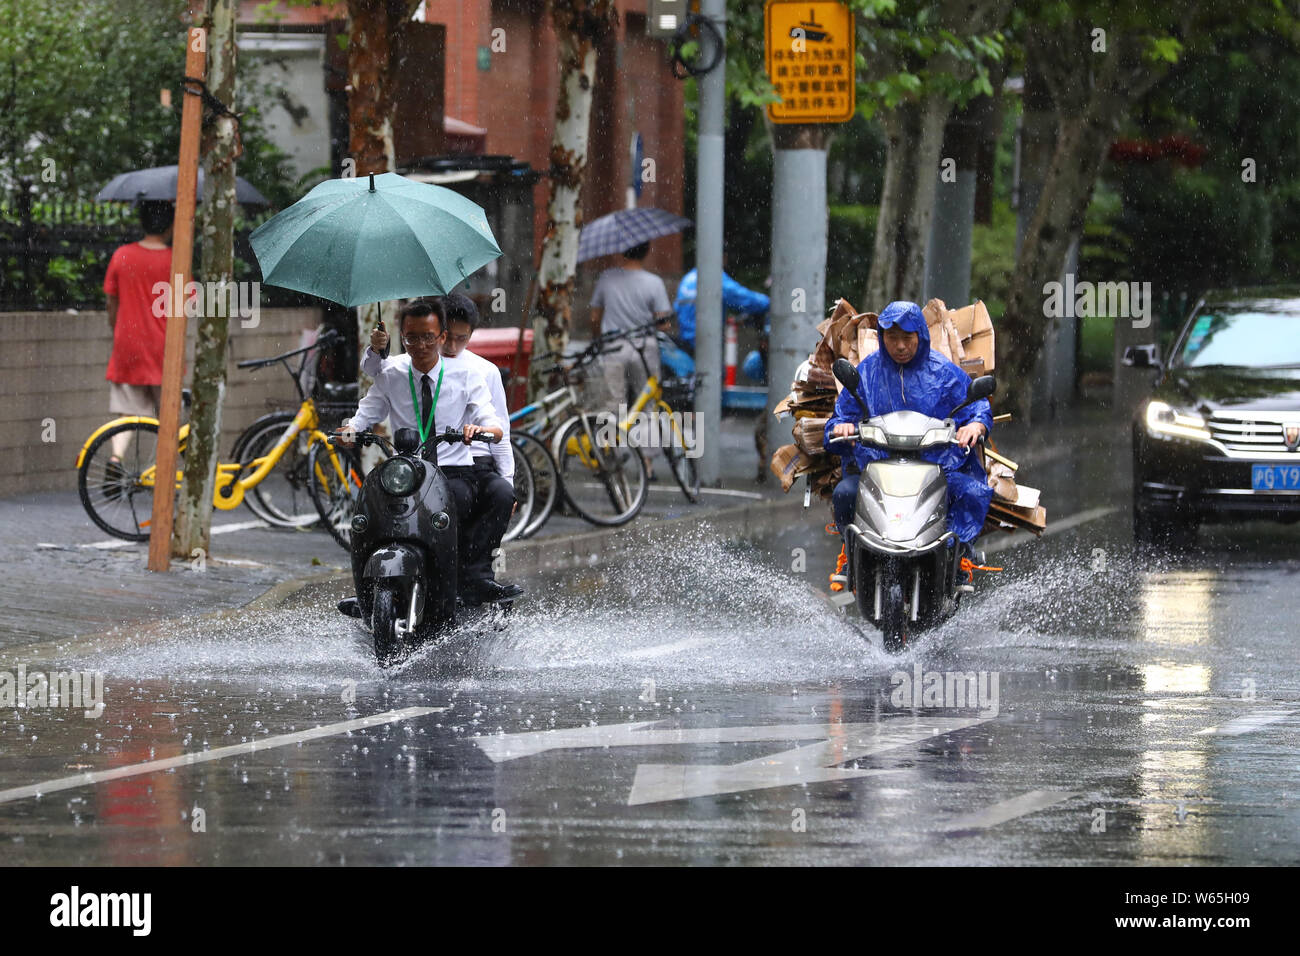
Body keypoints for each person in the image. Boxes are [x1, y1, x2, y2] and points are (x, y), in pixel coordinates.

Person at [345, 298, 522, 604]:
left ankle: (471, 578)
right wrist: (350, 429)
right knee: (367, 513)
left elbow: (493, 422)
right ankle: (366, 591)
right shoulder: (392, 372)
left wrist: (484, 431)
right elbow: (367, 408)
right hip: (407, 471)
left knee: (475, 498)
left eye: (429, 337)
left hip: (454, 473)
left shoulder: (469, 375)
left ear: (441, 336)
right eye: (412, 337)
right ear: (402, 338)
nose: (421, 345)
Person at [825, 300, 994, 560]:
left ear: (921, 335)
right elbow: (840, 417)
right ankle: (852, 555)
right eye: (893, 338)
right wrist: (841, 427)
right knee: (845, 494)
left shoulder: (944, 371)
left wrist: (976, 424)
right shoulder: (868, 371)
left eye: (907, 337)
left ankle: (957, 558)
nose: (900, 346)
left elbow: (976, 406)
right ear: (882, 337)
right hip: (877, 469)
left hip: (937, 469)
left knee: (971, 493)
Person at [103, 200, 174, 465]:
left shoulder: (122, 255)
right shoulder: (174, 260)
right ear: (169, 227)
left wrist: (116, 327)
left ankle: (115, 457)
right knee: (170, 413)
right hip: (164, 347)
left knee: (127, 414)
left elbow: (111, 301)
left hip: (127, 345)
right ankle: (165, 469)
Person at [588, 240, 673, 410]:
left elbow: (594, 317)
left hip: (613, 346)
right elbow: (663, 323)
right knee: (648, 402)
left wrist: (598, 338)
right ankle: (646, 435)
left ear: (622, 251)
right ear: (647, 251)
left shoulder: (606, 278)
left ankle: (614, 436)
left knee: (614, 403)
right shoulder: (654, 282)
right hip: (644, 348)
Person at [672, 261, 770, 356]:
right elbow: (742, 298)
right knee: (715, 372)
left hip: (685, 342)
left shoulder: (688, 278)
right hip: (707, 343)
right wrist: (769, 303)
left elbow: (676, 308)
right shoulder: (714, 277)